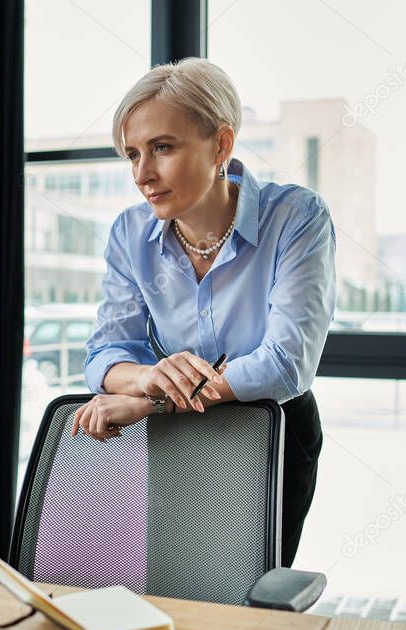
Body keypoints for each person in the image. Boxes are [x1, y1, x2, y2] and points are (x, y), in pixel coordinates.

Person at [70, 58, 337, 567]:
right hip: (179, 435)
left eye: (162, 148)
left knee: (252, 593)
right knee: (177, 583)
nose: (142, 175)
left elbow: (285, 365)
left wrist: (154, 403)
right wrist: (148, 377)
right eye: (133, 154)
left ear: (221, 145)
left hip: (273, 424)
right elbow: (105, 354)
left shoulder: (296, 217)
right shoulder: (130, 233)